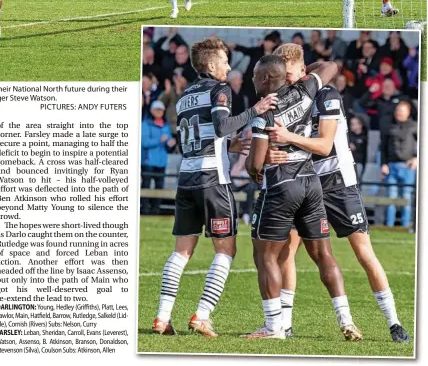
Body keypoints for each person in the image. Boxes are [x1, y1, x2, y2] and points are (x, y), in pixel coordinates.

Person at [266, 44, 409, 343]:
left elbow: (324, 146)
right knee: (287, 252)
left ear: (304, 72)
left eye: (289, 75)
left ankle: (394, 322)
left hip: (338, 183)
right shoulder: (284, 100)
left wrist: (287, 138)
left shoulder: (326, 95)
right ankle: (286, 325)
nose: (285, 81)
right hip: (306, 184)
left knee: (363, 253)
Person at [152, 38, 277, 338]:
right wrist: (256, 110)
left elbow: (195, 139)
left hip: (186, 178)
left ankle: (161, 317)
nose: (229, 66)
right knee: (226, 249)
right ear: (210, 65)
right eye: (224, 61)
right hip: (213, 180)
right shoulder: (220, 89)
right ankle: (202, 315)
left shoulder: (183, 97)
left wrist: (226, 145)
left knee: (182, 251)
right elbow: (221, 126)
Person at [243, 54, 362, 341]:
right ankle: (346, 320)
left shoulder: (263, 111)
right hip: (311, 183)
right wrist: (299, 72)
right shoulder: (305, 90)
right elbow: (332, 66)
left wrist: (251, 164)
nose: (253, 79)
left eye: (257, 75)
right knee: (324, 255)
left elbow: (256, 164)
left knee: (265, 255)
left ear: (264, 79)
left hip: (282, 185)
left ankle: (274, 328)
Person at [381, 101, 417, 229]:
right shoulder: (389, 127)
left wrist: (417, 159)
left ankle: (406, 226)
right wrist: (383, 164)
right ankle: (390, 227)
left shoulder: (415, 126)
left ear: (408, 112)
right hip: (391, 166)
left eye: (402, 110)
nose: (399, 113)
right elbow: (383, 147)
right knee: (391, 198)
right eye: (397, 110)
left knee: (406, 198)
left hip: (407, 168)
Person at [141, 100, 176, 215]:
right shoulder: (145, 124)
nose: (159, 112)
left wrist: (170, 144)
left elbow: (167, 143)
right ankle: (145, 210)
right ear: (151, 111)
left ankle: (156, 210)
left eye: (160, 110)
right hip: (148, 161)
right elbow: (144, 142)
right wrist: (159, 140)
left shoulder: (165, 126)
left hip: (161, 161)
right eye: (156, 109)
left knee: (159, 187)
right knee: (146, 185)